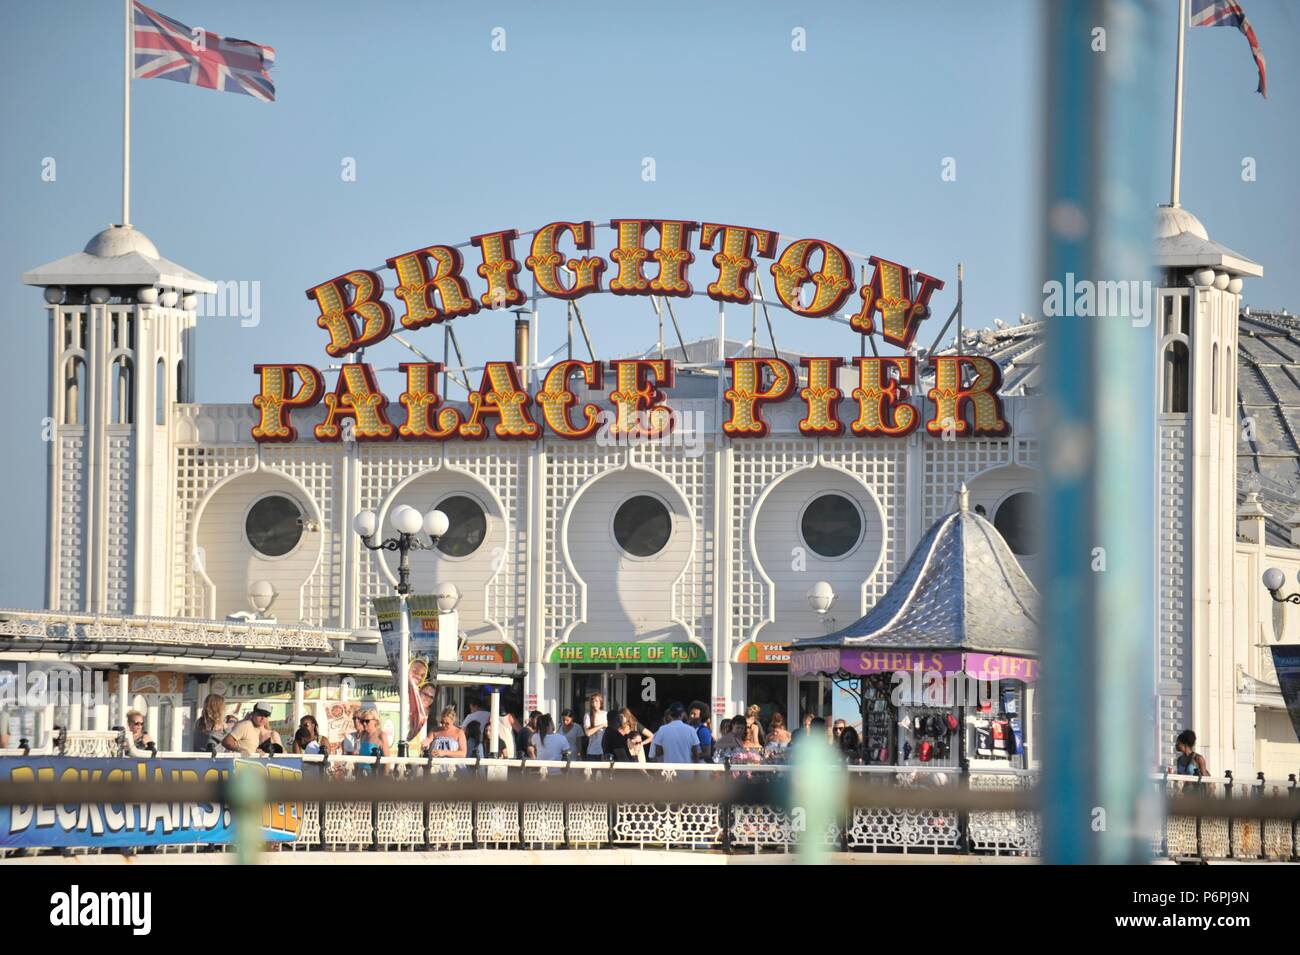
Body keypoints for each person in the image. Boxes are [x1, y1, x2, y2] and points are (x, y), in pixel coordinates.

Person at [583, 692, 608, 760]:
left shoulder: (606, 714)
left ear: (601, 702)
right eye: (592, 701)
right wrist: (601, 725)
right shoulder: (588, 715)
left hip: (604, 750)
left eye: (596, 701)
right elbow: (588, 733)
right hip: (592, 751)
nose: (594, 703)